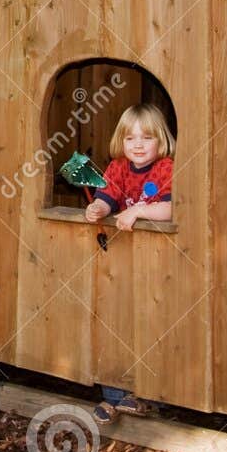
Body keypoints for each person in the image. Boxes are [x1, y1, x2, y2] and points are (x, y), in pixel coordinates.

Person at [83, 102, 174, 423]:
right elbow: (107, 197)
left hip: (160, 264)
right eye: (130, 138)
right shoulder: (118, 167)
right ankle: (115, 397)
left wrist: (138, 211)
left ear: (160, 140)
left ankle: (153, 396)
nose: (137, 144)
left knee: (155, 322)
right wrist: (98, 209)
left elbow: (170, 209)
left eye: (146, 138)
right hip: (121, 260)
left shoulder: (166, 168)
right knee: (116, 320)